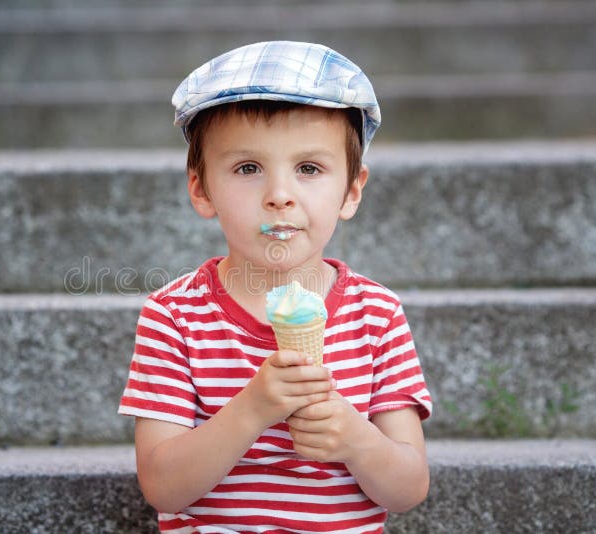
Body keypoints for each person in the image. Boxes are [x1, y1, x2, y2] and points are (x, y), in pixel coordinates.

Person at [119, 41, 433, 533]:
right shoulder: (174, 315)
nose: (279, 196)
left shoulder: (377, 314)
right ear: (202, 189)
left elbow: (409, 488)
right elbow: (163, 486)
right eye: (248, 169)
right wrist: (253, 409)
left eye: (308, 169)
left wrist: (356, 437)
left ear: (351, 190)